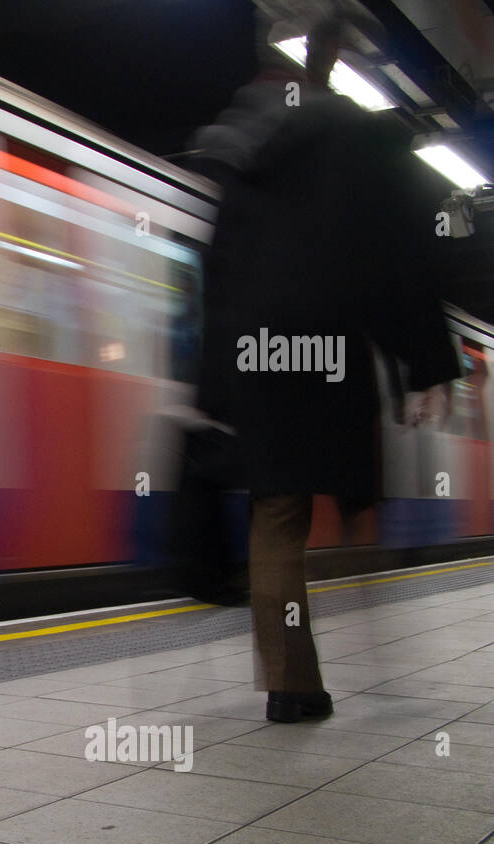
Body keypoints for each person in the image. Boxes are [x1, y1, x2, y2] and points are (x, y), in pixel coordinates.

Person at [185, 3, 461, 723]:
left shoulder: (243, 143)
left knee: (277, 513)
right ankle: (380, 642)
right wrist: (426, 359)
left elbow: (220, 269)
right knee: (354, 498)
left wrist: (213, 385)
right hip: (331, 349)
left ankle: (291, 683)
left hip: (259, 353)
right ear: (340, 62)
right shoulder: (361, 136)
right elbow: (396, 254)